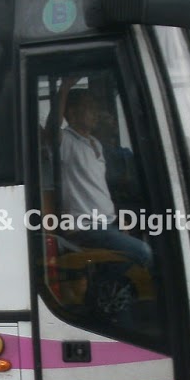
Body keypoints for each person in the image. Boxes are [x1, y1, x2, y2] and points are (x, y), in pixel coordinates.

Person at [55, 87, 152, 272]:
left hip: (107, 224)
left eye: (95, 107)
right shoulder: (66, 141)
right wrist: (65, 86)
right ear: (72, 113)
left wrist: (118, 222)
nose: (96, 113)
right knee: (143, 252)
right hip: (84, 229)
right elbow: (53, 128)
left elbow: (100, 190)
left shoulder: (95, 143)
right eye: (89, 107)